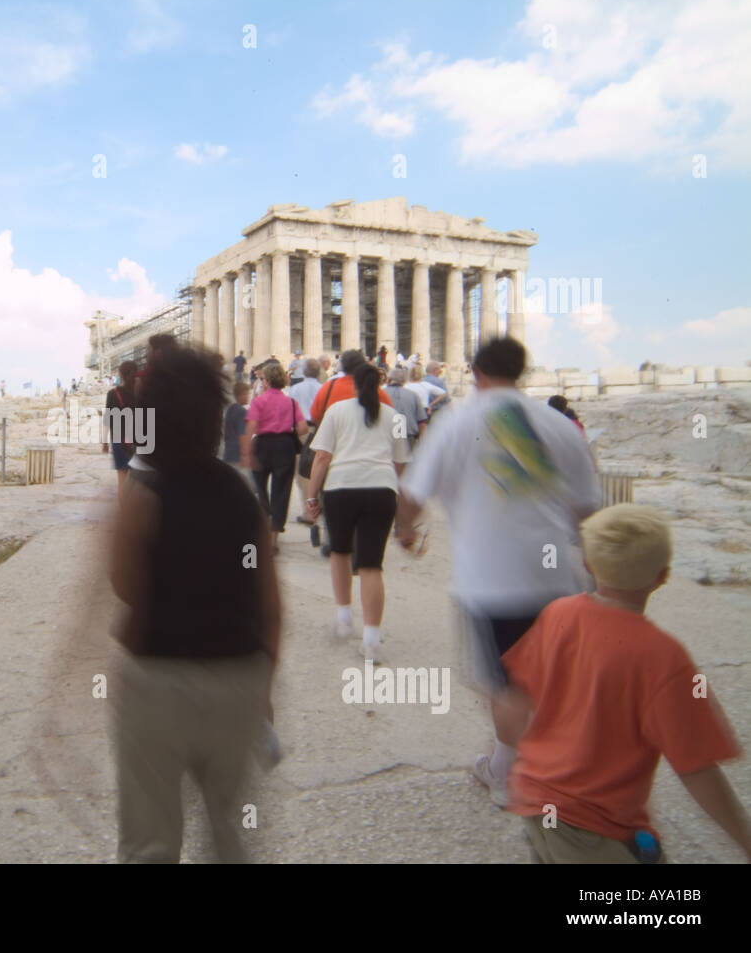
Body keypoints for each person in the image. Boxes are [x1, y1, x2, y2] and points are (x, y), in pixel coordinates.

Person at [394, 336, 601, 803]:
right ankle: (557, 766)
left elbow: (412, 493)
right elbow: (588, 509)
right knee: (548, 678)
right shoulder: (559, 425)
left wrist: (405, 532)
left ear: (476, 372)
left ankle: (507, 775)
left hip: (491, 578)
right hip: (556, 578)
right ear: (520, 372)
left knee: (505, 683)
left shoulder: (456, 423)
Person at [108, 345, 281, 863]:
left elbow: (124, 586)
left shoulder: (142, 497)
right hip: (237, 676)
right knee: (230, 832)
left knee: (150, 840)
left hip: (156, 680)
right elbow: (270, 603)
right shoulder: (242, 498)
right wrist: (266, 684)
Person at [504, 504, 751, 862]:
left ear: (588, 564)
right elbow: (696, 767)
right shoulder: (664, 657)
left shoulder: (558, 614)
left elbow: (516, 695)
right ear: (663, 576)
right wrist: (745, 838)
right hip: (592, 826)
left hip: (535, 801)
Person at [305, 362, 410, 662]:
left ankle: (343, 618)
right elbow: (401, 461)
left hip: (341, 487)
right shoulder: (394, 416)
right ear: (380, 383)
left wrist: (312, 496)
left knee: (339, 552)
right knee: (371, 565)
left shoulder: (337, 411)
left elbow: (322, 457)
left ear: (353, 384)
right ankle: (372, 639)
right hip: (381, 488)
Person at [243, 362, 309, 554]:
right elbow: (303, 428)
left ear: (267, 381)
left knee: (261, 491)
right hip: (285, 446)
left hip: (263, 445)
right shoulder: (290, 402)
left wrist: (247, 453)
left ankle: (263, 530)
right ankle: (273, 539)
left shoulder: (259, 401)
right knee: (281, 491)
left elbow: (251, 427)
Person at [288, 360, 326, 523]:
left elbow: (290, 411)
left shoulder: (295, 389)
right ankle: (321, 505)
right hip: (320, 429)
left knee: (303, 471)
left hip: (301, 430)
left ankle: (308, 511)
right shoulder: (324, 388)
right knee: (321, 466)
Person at [103, 361, 138, 495]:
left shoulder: (113, 393)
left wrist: (104, 441)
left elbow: (108, 419)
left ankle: (124, 510)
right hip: (139, 440)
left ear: (121, 375)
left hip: (119, 440)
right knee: (138, 481)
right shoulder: (140, 392)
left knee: (122, 481)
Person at [385, 366, 425, 451]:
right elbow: (421, 422)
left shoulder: (382, 393)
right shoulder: (413, 395)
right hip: (408, 438)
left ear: (388, 379)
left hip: (386, 437)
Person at [222, 382, 251, 473]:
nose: (248, 397)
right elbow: (242, 434)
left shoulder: (230, 409)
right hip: (237, 454)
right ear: (240, 395)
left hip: (228, 452)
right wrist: (245, 455)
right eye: (246, 394)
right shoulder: (241, 412)